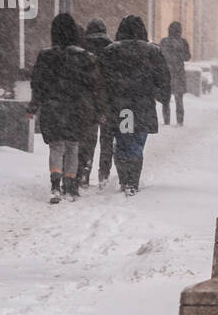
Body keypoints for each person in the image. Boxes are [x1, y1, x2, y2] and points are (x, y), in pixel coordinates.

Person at [28, 13, 106, 204]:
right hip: (78, 109)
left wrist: (34, 105)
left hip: (53, 107)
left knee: (56, 147)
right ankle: (71, 186)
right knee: (72, 146)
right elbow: (95, 86)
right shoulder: (86, 58)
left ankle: (55, 186)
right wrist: (99, 110)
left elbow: (38, 84)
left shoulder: (45, 56)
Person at [101, 15, 171, 195]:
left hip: (119, 104)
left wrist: (103, 101)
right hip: (143, 104)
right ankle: (132, 180)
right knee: (136, 142)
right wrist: (162, 96)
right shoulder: (153, 51)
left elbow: (102, 79)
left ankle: (124, 178)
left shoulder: (110, 51)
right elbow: (163, 77)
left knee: (122, 141)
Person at [77, 18, 113, 187]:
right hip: (108, 98)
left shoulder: (81, 48)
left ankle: (84, 171)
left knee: (87, 138)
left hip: (87, 97)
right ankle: (103, 174)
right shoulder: (112, 48)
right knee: (107, 139)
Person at [161, 21, 191, 126]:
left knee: (166, 99)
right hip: (179, 73)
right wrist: (179, 55)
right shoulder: (183, 42)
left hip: (167, 73)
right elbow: (187, 57)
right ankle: (180, 121)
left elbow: (161, 56)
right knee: (179, 99)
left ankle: (166, 121)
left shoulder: (164, 42)